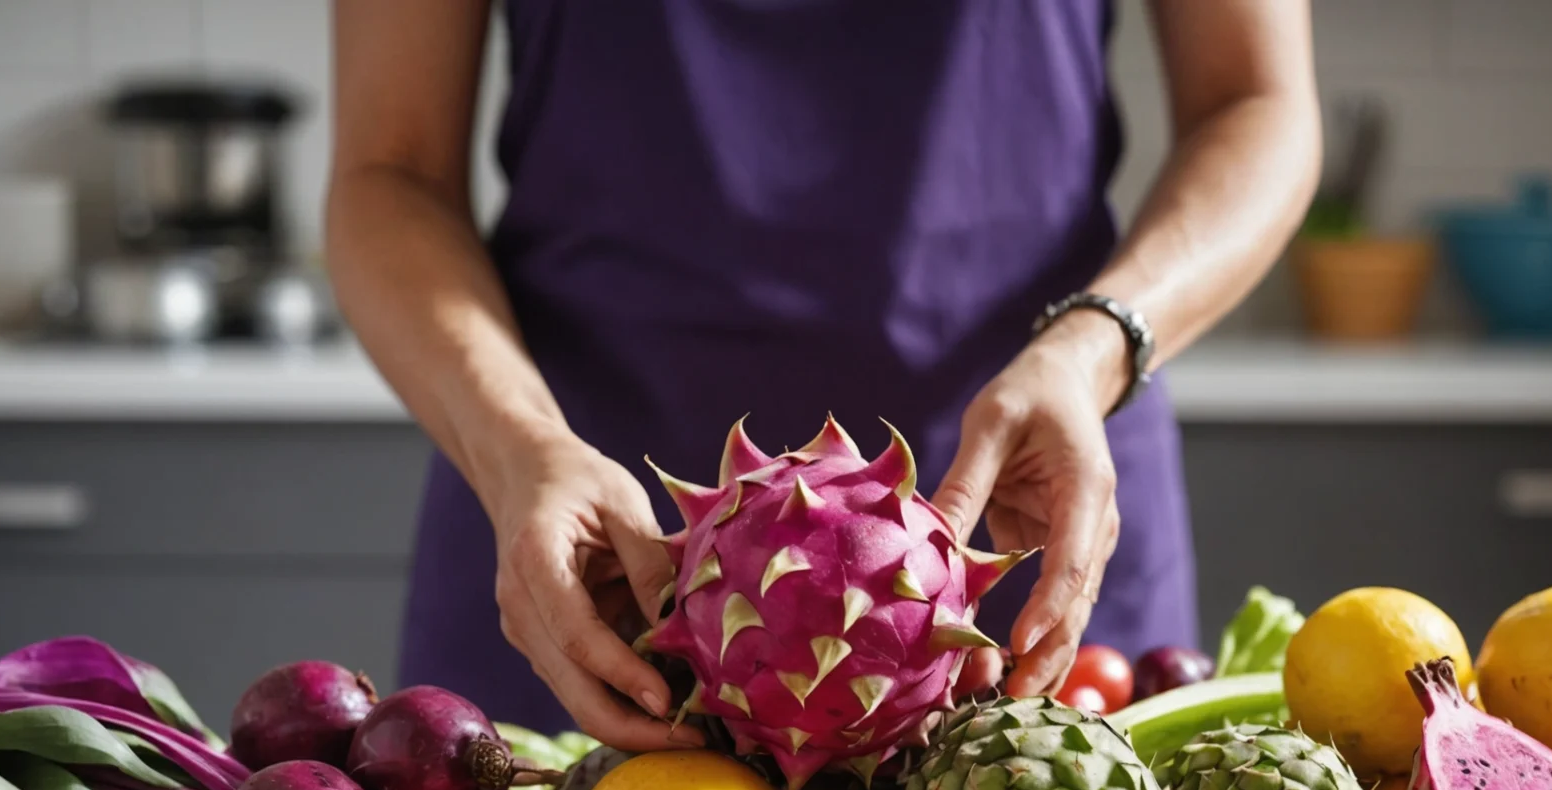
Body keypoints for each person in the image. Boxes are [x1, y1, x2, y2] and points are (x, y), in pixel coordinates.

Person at [328, 0, 1319, 749]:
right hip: (594, 550)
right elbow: (391, 169)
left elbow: (1256, 100)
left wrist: (1095, 346)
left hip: (1015, 520)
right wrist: (515, 449)